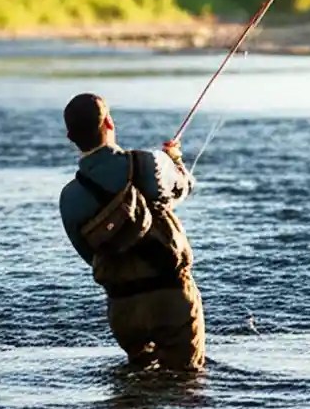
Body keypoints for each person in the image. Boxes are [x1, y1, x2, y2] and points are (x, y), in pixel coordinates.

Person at [58, 92, 205, 371]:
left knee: (131, 399)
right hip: (172, 299)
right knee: (187, 386)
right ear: (110, 123)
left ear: (71, 137)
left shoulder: (69, 198)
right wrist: (173, 160)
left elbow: (90, 255)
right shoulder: (148, 163)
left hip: (123, 310)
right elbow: (184, 186)